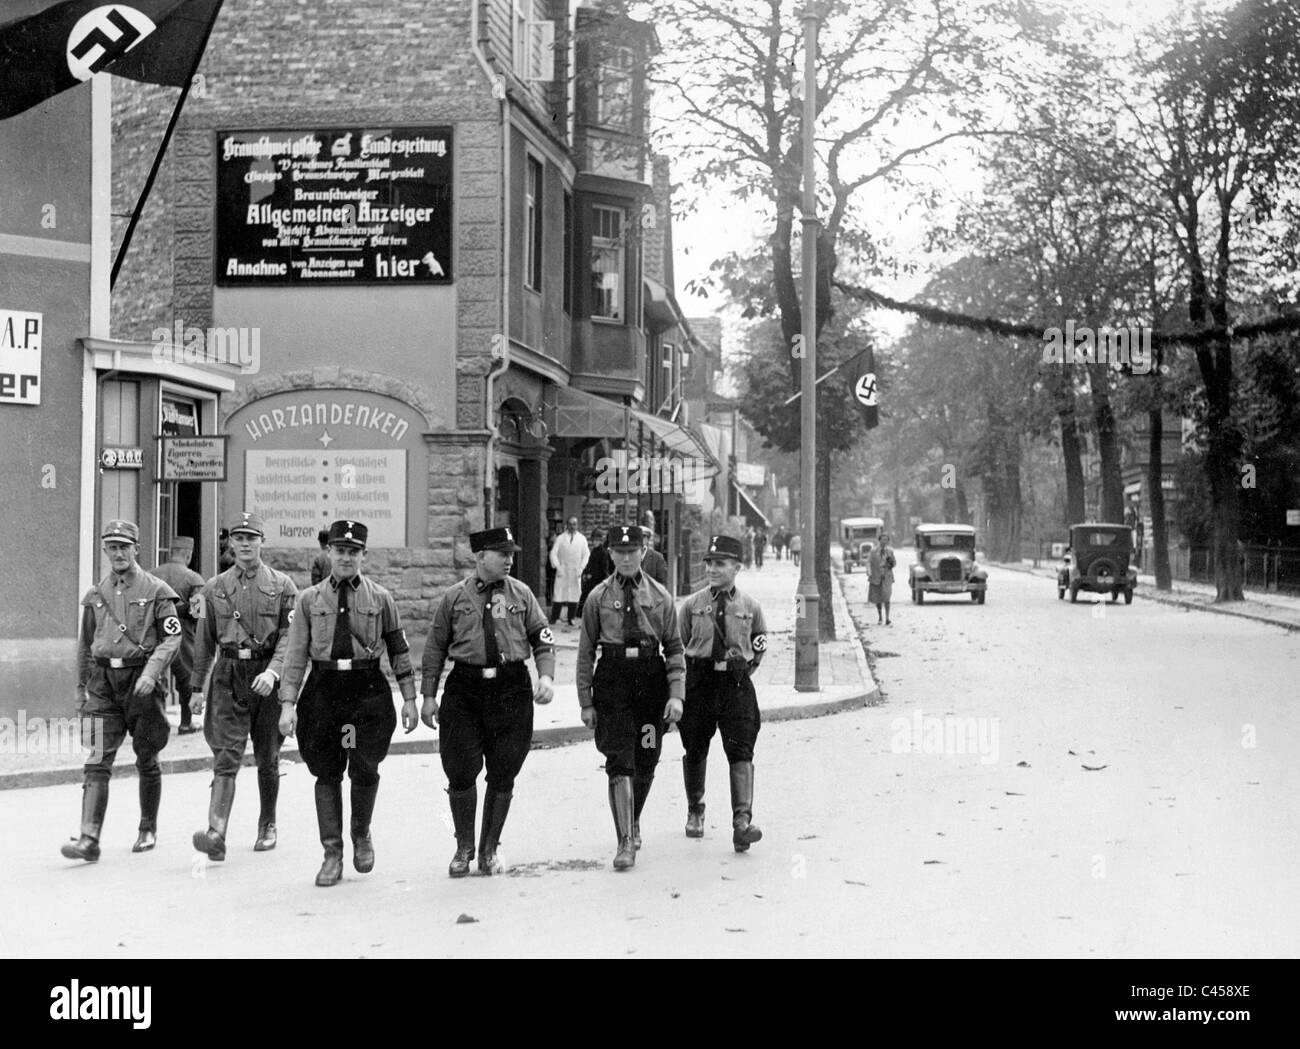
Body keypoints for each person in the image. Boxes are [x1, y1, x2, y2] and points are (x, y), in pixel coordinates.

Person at [277, 519, 419, 887]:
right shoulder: (309, 601)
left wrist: (409, 698)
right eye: (340, 550)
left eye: (353, 552)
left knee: (362, 763)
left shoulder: (381, 598)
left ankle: (361, 834)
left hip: (364, 694)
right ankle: (332, 853)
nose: (346, 558)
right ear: (329, 552)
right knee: (326, 771)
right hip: (325, 694)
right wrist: (288, 703)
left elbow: (399, 651)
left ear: (363, 556)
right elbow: (294, 656)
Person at [421, 527, 556, 877]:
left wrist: (546, 676)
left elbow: (542, 638)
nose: (510, 560)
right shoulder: (455, 597)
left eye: (511, 553)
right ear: (480, 558)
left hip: (511, 689)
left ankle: (488, 849)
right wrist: (428, 696)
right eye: (502, 554)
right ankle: (463, 846)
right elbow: (435, 647)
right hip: (465, 688)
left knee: (504, 769)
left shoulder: (522, 594)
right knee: (461, 769)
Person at [63, 520, 182, 862]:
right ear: (105, 551)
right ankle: (89, 838)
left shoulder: (157, 590)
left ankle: (147, 828)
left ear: (136, 549)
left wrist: (152, 672)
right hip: (103, 683)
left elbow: (172, 636)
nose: (118, 554)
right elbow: (86, 645)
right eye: (111, 547)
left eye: (123, 547)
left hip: (140, 682)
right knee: (97, 758)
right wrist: (80, 688)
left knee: (147, 757)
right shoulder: (96, 594)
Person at [189, 512, 298, 861]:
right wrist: (196, 688)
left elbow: (289, 638)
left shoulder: (283, 586)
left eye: (252, 538)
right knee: (226, 755)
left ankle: (268, 825)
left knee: (268, 757)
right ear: (230, 543)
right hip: (228, 674)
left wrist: (274, 673)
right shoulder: (214, 588)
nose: (246, 544)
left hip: (266, 674)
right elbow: (203, 642)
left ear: (262, 542)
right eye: (239, 538)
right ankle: (216, 832)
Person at [576, 525, 685, 870]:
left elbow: (675, 648)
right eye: (619, 552)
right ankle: (625, 841)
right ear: (609, 554)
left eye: (632, 552)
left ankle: (633, 818)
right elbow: (585, 652)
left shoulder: (661, 597)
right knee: (619, 759)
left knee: (647, 754)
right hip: (613, 681)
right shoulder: (597, 598)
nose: (625, 558)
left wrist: (676, 696)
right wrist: (586, 701)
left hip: (650, 683)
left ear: (643, 552)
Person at [678, 534, 768, 851]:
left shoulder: (751, 607)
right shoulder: (691, 606)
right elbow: (682, 643)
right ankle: (695, 810)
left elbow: (757, 648)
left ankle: (741, 822)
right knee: (695, 747)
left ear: (737, 567)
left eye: (720, 564)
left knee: (741, 750)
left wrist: (738, 671)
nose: (713, 569)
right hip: (700, 682)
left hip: (736, 685)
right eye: (710, 563)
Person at [151, 537, 204, 735]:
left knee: (156, 674)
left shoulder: (152, 575)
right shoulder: (194, 579)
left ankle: (157, 721)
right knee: (187, 678)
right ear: (188, 554)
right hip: (183, 632)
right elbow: (200, 614)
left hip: (156, 632)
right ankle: (186, 722)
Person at [548, 515, 589, 627]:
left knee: (574, 595)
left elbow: (586, 555)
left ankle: (571, 618)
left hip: (575, 571)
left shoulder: (582, 539)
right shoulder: (560, 538)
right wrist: (557, 566)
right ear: (567, 525)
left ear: (577, 525)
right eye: (570, 524)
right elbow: (553, 553)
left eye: (574, 524)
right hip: (563, 569)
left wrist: (581, 568)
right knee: (559, 595)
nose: (572, 526)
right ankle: (554, 618)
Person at [579, 527, 612, 614]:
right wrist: (586, 572)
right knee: (585, 602)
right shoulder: (594, 551)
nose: (594, 542)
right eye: (594, 540)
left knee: (595, 603)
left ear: (601, 540)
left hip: (598, 582)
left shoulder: (603, 553)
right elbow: (590, 565)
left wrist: (592, 575)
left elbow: (603, 569)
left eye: (597, 540)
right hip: (590, 582)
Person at [868, 532, 897, 625]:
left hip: (887, 577)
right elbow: (868, 562)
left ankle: (887, 618)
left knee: (887, 597)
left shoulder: (890, 551)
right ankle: (880, 616)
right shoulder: (873, 551)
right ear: (879, 540)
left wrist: (891, 563)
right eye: (882, 539)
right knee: (878, 598)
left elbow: (894, 563)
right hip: (876, 577)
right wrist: (869, 573)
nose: (884, 541)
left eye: (886, 540)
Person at [641, 524, 669, 589]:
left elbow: (662, 582)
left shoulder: (657, 558)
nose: (640, 540)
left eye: (643, 537)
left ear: (647, 539)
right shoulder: (629, 556)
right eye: (637, 537)